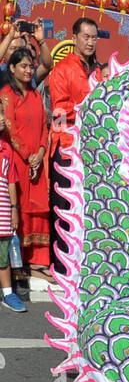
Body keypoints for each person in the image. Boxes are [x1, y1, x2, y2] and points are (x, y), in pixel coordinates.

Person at [48, 16, 102, 264]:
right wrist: (87, 107)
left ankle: (81, 259)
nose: (90, 42)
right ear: (74, 38)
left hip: (92, 149)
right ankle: (60, 262)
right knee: (64, 206)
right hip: (67, 147)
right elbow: (58, 113)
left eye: (94, 37)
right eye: (86, 37)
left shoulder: (98, 71)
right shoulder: (62, 69)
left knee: (86, 207)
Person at [0, 45, 52, 286]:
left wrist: (41, 152)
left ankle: (37, 262)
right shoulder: (7, 94)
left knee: (38, 210)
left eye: (31, 66)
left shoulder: (35, 94)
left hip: (36, 163)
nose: (29, 70)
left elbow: (44, 127)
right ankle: (17, 264)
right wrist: (27, 155)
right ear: (12, 67)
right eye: (24, 66)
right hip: (17, 163)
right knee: (18, 210)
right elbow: (9, 128)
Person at [0, 136, 25, 312]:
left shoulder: (7, 149)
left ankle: (8, 294)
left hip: (3, 210)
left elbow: (11, 182)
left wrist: (14, 208)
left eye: (2, 112)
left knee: (3, 256)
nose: (2, 118)